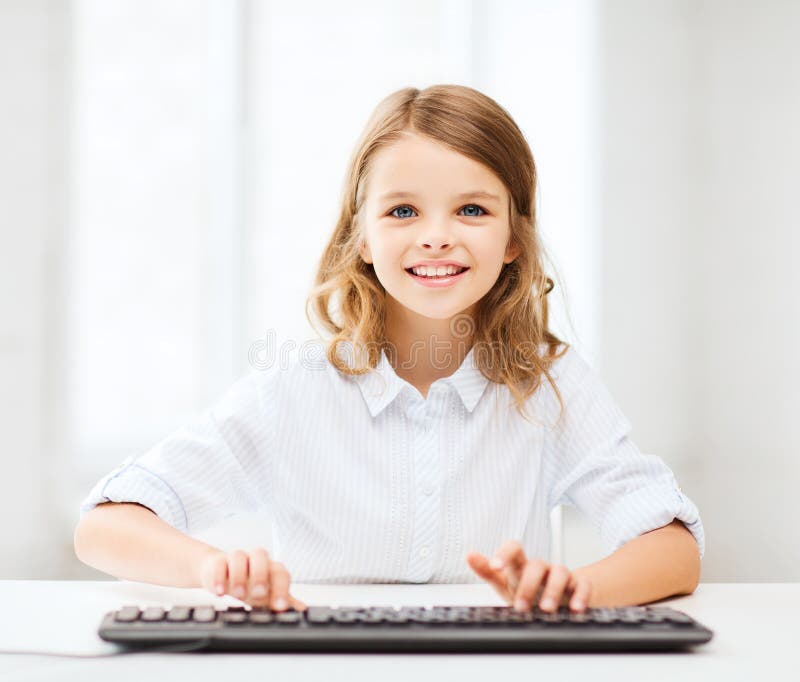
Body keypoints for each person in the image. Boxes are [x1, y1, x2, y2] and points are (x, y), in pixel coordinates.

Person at [74, 84, 705, 616]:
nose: (436, 237)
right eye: (403, 210)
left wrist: (579, 591)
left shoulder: (549, 384)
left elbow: (674, 548)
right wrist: (215, 568)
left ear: (515, 238)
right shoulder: (292, 389)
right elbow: (104, 527)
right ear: (364, 239)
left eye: (472, 210)